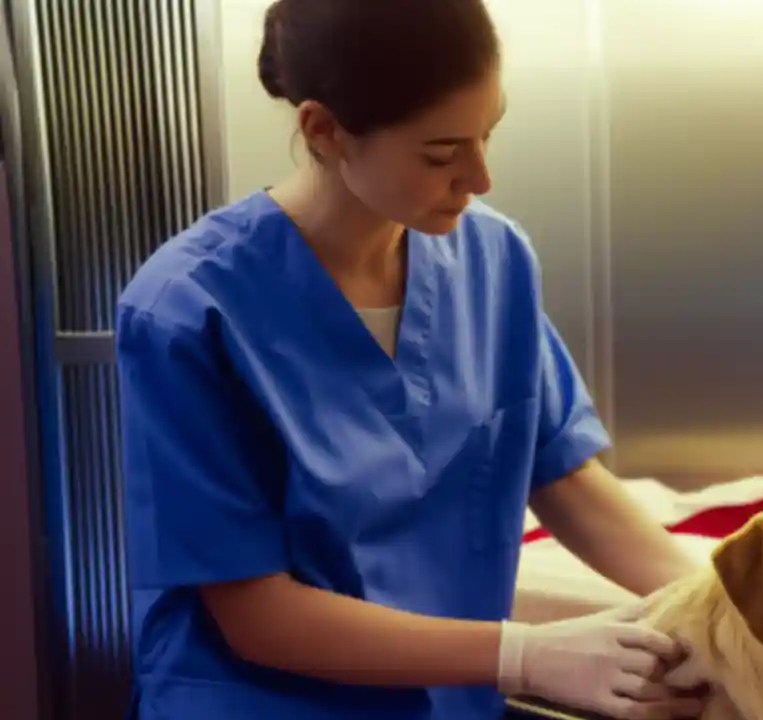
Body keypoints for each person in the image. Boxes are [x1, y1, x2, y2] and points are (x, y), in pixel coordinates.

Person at [115, 1, 711, 718]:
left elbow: (564, 476)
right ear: (325, 130)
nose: (480, 176)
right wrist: (524, 654)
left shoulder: (493, 259)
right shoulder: (189, 308)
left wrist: (723, 607)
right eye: (442, 152)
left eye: (490, 133)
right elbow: (254, 612)